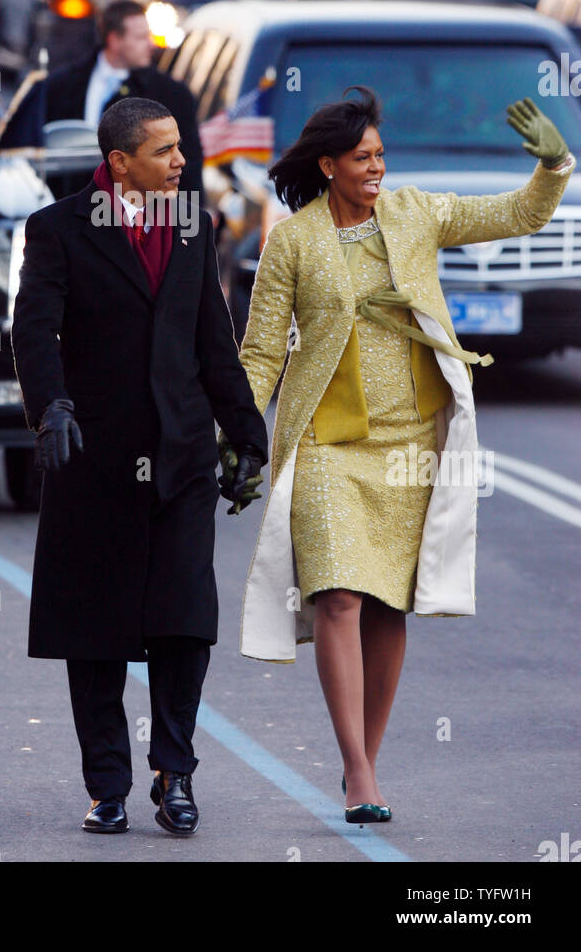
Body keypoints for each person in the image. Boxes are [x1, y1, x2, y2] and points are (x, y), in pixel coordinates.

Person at [235, 87, 575, 823]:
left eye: (381, 155)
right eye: (362, 159)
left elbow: (516, 216)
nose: (376, 168)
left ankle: (371, 758)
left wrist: (552, 168)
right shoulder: (292, 241)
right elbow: (262, 351)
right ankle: (357, 772)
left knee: (389, 604)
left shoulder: (416, 213)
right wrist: (231, 428)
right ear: (327, 165)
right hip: (328, 441)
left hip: (410, 445)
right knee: (338, 596)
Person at [10, 96, 268, 836]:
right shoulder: (56, 230)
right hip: (93, 458)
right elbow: (35, 327)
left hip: (182, 456)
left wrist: (247, 436)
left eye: (181, 148)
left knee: (185, 619)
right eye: (163, 151)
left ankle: (176, 772)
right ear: (120, 163)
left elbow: (213, 341)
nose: (181, 161)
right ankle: (107, 785)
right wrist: (51, 407)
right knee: (95, 629)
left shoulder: (195, 225)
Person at [43, 0, 205, 195]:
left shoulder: (172, 95)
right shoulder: (61, 85)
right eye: (140, 38)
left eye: (149, 36)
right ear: (114, 40)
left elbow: (189, 170)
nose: (151, 44)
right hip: (68, 209)